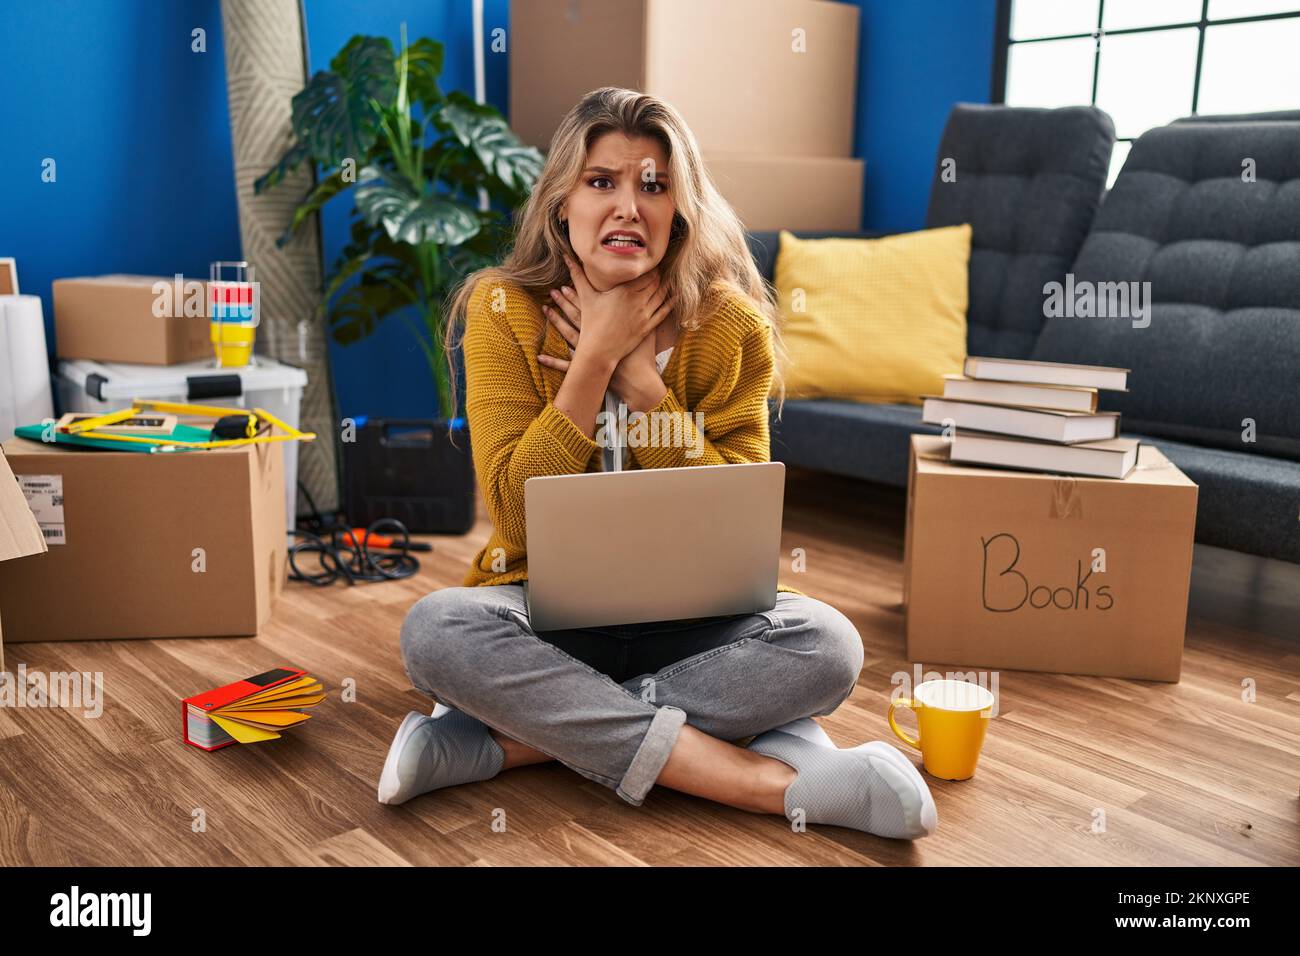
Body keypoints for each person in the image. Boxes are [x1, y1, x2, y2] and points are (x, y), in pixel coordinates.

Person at [380, 87, 937, 839]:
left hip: (696, 621)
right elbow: (515, 514)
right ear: (561, 203)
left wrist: (643, 388)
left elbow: (731, 516)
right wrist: (593, 362)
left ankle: (515, 743)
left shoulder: (729, 325)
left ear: (681, 209)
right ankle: (757, 782)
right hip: (540, 610)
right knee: (436, 629)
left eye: (654, 184)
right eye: (601, 181)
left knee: (830, 645)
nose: (628, 206)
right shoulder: (501, 309)